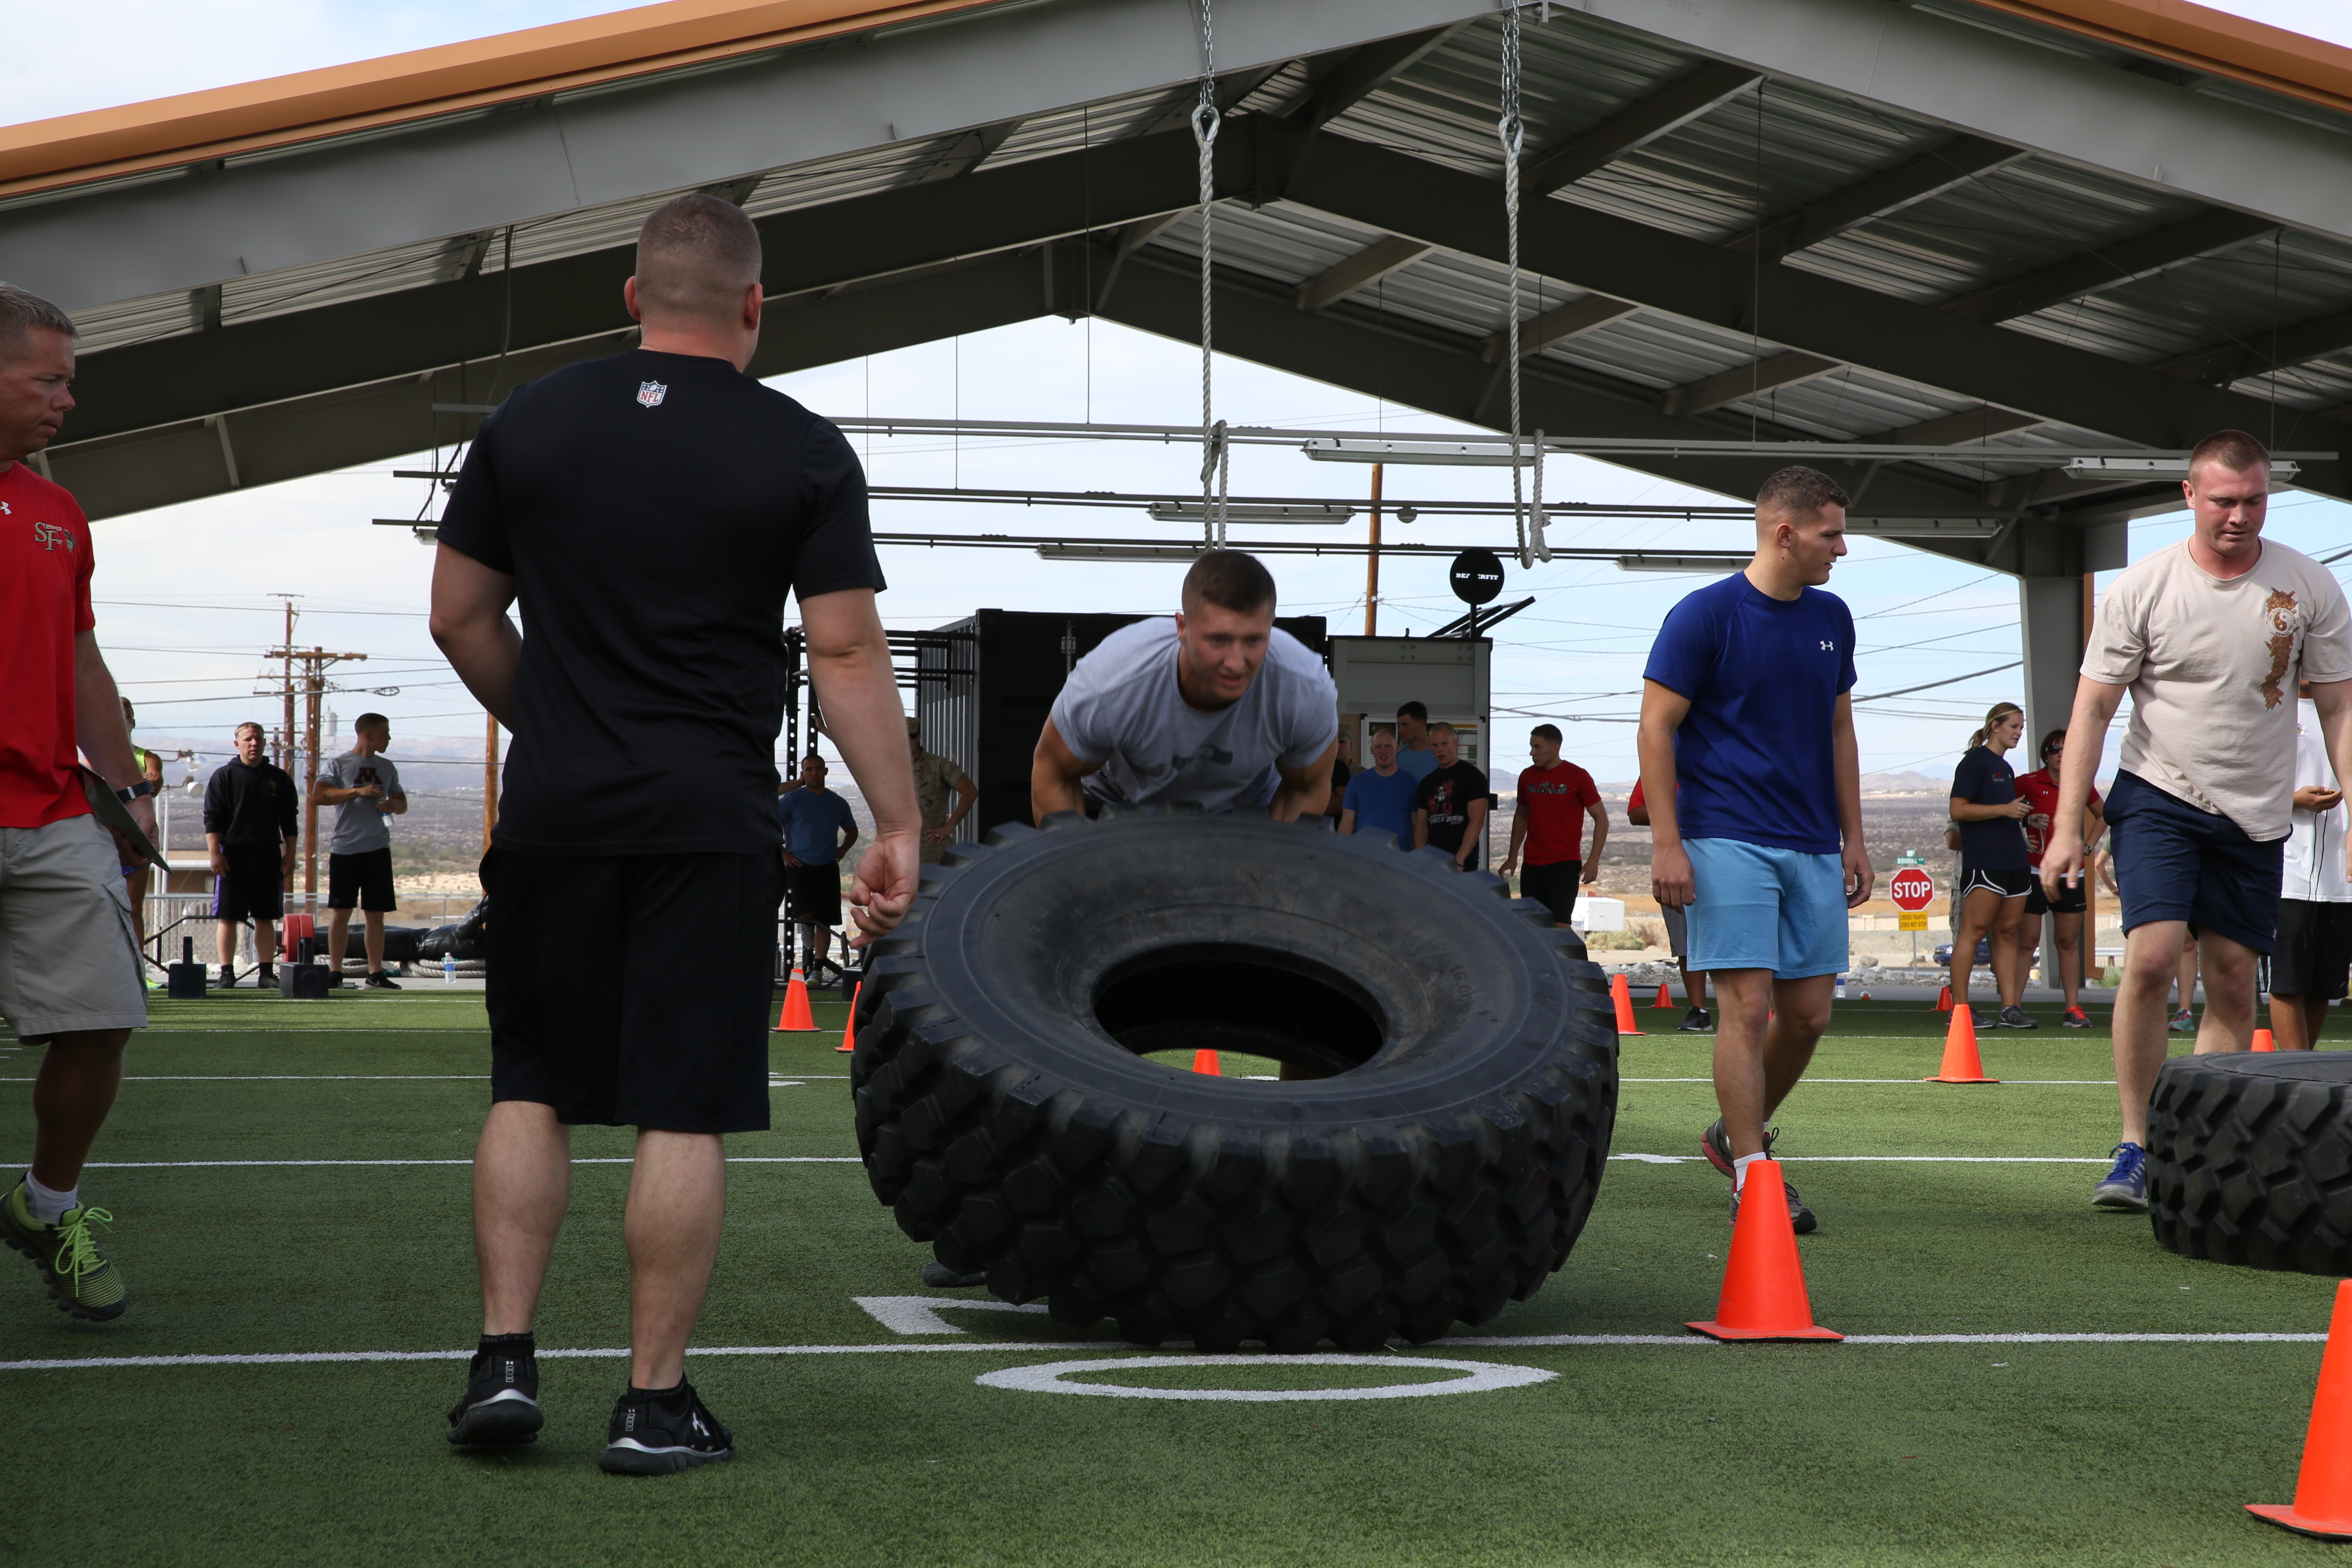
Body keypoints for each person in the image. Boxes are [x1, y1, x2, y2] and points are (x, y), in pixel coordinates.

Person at [429, 192, 918, 1473]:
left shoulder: (529, 419)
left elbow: (459, 617)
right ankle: (652, 1405)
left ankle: (503, 1362)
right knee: (680, 1107)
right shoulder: (802, 448)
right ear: (756, 306)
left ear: (633, 296)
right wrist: (899, 819)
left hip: (556, 809)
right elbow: (845, 648)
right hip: (706, 813)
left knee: (531, 1084)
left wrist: (561, 725)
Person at [2041, 430, 2352, 1213]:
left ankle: (2190, 1148)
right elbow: (2092, 709)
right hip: (2159, 793)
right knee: (2150, 960)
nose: (2238, 516)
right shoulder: (2143, 587)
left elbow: (2340, 706)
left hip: (2258, 812)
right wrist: (2070, 826)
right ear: (2189, 496)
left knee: (2235, 983)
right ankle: (2136, 1145)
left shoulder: (2310, 585)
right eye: (2223, 501)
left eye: (2254, 501)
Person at [1639, 465, 1871, 1235]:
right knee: (1746, 1007)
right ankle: (1752, 1171)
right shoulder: (1704, 615)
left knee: (1807, 1017)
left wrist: (1854, 837)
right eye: (1831, 534)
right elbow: (1656, 728)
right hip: (1724, 836)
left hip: (1812, 844)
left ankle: (1729, 1132)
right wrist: (1668, 844)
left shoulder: (1833, 616)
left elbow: (1840, 730)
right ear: (1786, 533)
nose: (1842, 548)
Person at [0, 282, 157, 1323]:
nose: (67, 400)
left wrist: (130, 791)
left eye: (70, 381)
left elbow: (82, 661)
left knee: (102, 1023)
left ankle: (47, 1206)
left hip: (54, 810)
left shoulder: (59, 513)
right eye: (47, 380)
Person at [1033, 550, 1337, 822]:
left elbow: (1306, 790)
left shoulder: (1306, 689)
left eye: (1253, 640)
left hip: (1247, 810)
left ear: (1271, 626)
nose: (1236, 663)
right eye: (1218, 640)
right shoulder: (1111, 681)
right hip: (1118, 801)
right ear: (1182, 627)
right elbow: (1055, 773)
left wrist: (1269, 867)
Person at [2270, 681, 2352, 1049]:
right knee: (2289, 981)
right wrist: (2293, 800)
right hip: (2287, 869)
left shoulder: (2344, 714)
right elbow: (2245, 786)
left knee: (2324, 983)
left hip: (2340, 875)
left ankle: (2303, 1062)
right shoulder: (2272, 712)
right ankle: (2292, 1068)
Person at [1948, 702, 2036, 1030]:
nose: (2019, 733)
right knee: (1973, 932)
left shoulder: (2006, 768)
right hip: (1985, 862)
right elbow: (1958, 810)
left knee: (2008, 933)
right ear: (1995, 726)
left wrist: (2025, 819)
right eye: (2014, 726)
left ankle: (2010, 1008)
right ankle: (1960, 1009)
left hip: (2015, 862)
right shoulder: (1974, 762)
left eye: (2021, 728)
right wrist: (2004, 810)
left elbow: (2004, 811)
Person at [2013, 727, 2105, 1028]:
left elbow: (2104, 814)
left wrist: (2088, 846)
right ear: (2045, 754)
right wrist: (2026, 822)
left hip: (2070, 874)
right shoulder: (2027, 782)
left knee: (2067, 942)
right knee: (2027, 942)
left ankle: (2073, 1008)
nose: (2061, 755)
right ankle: (2013, 1007)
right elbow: (2004, 813)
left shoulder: (2080, 783)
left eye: (2067, 749)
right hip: (2034, 871)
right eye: (2055, 749)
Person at [313, 713, 408, 989]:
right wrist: (357, 792)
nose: (389, 738)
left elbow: (402, 802)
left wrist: (394, 805)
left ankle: (376, 973)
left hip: (377, 849)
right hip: (345, 849)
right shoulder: (338, 764)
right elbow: (319, 796)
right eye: (385, 733)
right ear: (368, 735)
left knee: (376, 915)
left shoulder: (387, 767)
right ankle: (336, 972)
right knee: (341, 913)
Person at [203, 722, 298, 989]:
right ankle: (226, 973)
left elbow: (289, 820)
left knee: (265, 917)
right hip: (233, 855)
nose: (254, 743)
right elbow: (213, 818)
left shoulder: (279, 778)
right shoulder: (224, 776)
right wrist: (215, 853)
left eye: (258, 739)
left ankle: (266, 973)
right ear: (238, 744)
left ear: (265, 742)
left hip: (268, 855)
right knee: (228, 917)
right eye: (248, 739)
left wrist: (290, 854)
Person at [1627, 777, 1711, 1033]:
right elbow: (1636, 812)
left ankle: (1755, 1008)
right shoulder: (1664, 765)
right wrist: (1685, 808)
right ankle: (1700, 1011)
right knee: (1686, 939)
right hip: (1677, 862)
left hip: (1727, 856)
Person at [1499, 723, 1605, 925]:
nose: (1532, 753)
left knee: (1559, 925)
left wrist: (1593, 861)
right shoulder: (1527, 776)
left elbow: (1601, 818)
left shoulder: (1578, 776)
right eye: (1531, 747)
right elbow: (1521, 816)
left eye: (1538, 747)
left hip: (1564, 864)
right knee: (1534, 924)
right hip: (1532, 864)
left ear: (1555, 748)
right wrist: (1513, 857)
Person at [778, 751, 859, 976]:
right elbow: (769, 826)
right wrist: (784, 854)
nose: (814, 773)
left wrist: (842, 851)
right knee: (807, 916)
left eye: (818, 768)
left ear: (826, 771)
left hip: (827, 867)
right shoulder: (791, 800)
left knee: (824, 922)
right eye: (809, 769)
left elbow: (852, 831)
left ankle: (817, 969)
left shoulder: (838, 803)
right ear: (803, 774)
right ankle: (807, 933)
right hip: (799, 866)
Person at [119, 697, 165, 976]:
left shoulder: (147, 757)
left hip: (136, 839)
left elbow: (153, 783)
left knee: (134, 907)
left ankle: (136, 971)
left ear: (133, 723)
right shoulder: (90, 757)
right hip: (104, 840)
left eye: (126, 717)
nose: (121, 721)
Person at [1411, 723, 1490, 871]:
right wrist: (1420, 859)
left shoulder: (1473, 776)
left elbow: (1477, 822)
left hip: (1463, 865)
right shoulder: (1426, 783)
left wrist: (1460, 860)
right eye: (1435, 745)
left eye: (1444, 744)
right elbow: (1421, 826)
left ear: (1455, 743)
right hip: (1432, 862)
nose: (1440, 749)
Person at [907, 717, 977, 864]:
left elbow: (970, 791)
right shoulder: (891, 769)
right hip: (901, 852)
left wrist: (949, 827)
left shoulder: (938, 766)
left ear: (919, 738)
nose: (906, 741)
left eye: (911, 737)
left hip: (931, 852)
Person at [1339, 725, 1419, 847]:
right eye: (1378, 747)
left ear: (1397, 748)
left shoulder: (1411, 783)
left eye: (1388, 746)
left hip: (1399, 855)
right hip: (1365, 854)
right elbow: (1347, 824)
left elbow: (1418, 826)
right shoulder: (1357, 783)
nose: (1383, 751)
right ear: (1372, 750)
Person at [1393, 702, 1439, 782]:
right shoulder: (1396, 756)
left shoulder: (1439, 754)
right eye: (1399, 725)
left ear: (1422, 724)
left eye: (1405, 725)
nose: (1400, 730)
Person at [1323, 732, 1354, 826]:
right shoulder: (1307, 766)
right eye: (1334, 742)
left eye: (1342, 742)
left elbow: (1343, 804)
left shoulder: (1361, 774)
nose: (1338, 746)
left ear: (1350, 745)